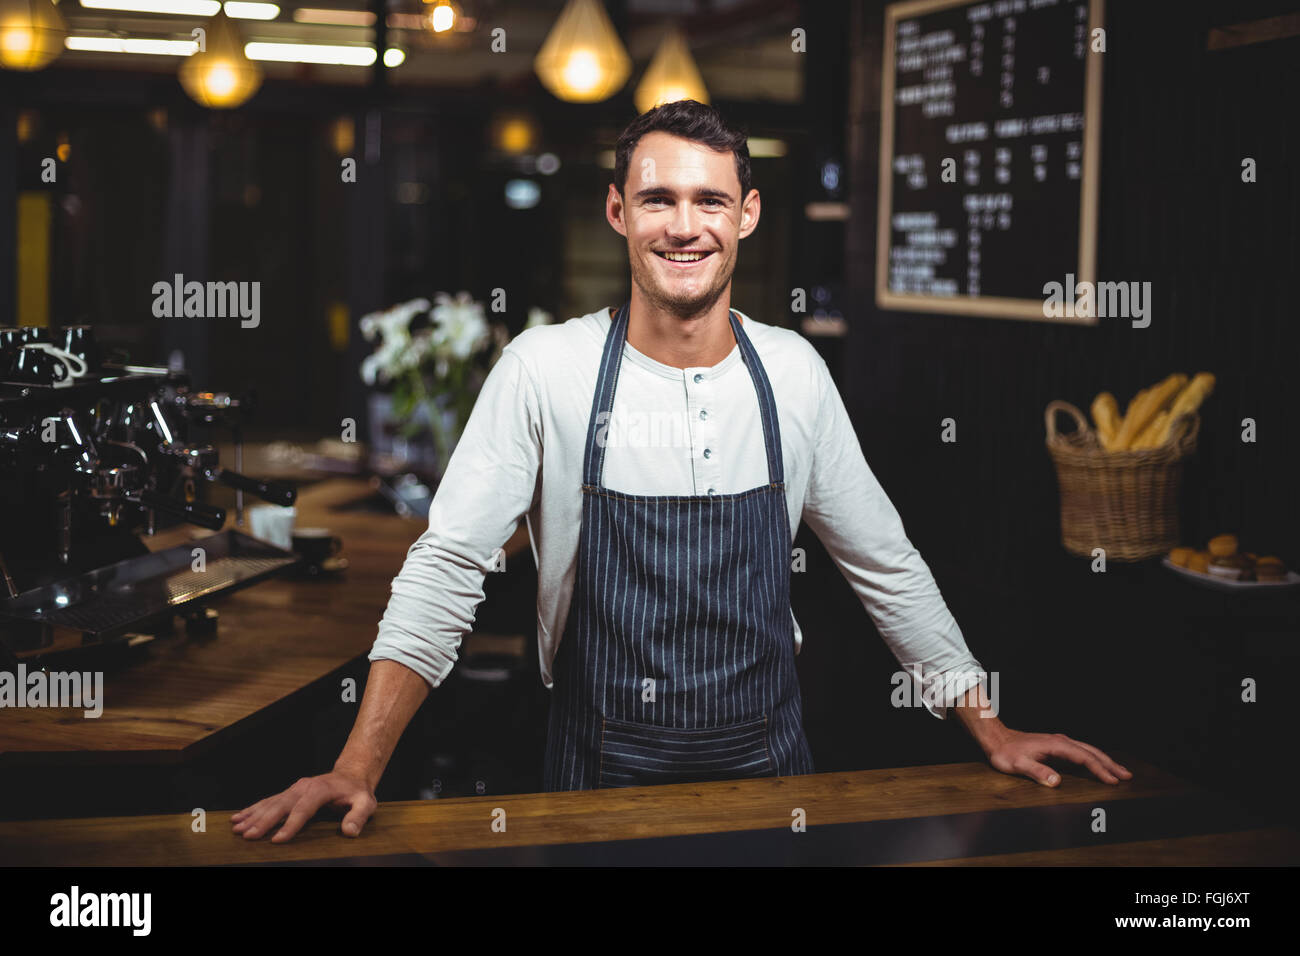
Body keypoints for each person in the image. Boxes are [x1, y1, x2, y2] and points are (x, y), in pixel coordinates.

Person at [232, 100, 1130, 843]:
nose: (685, 225)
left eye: (710, 200)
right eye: (658, 199)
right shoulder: (546, 369)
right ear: (619, 211)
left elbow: (884, 563)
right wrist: (357, 768)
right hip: (595, 776)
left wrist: (990, 724)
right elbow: (446, 568)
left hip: (773, 774)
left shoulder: (793, 373)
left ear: (746, 214)